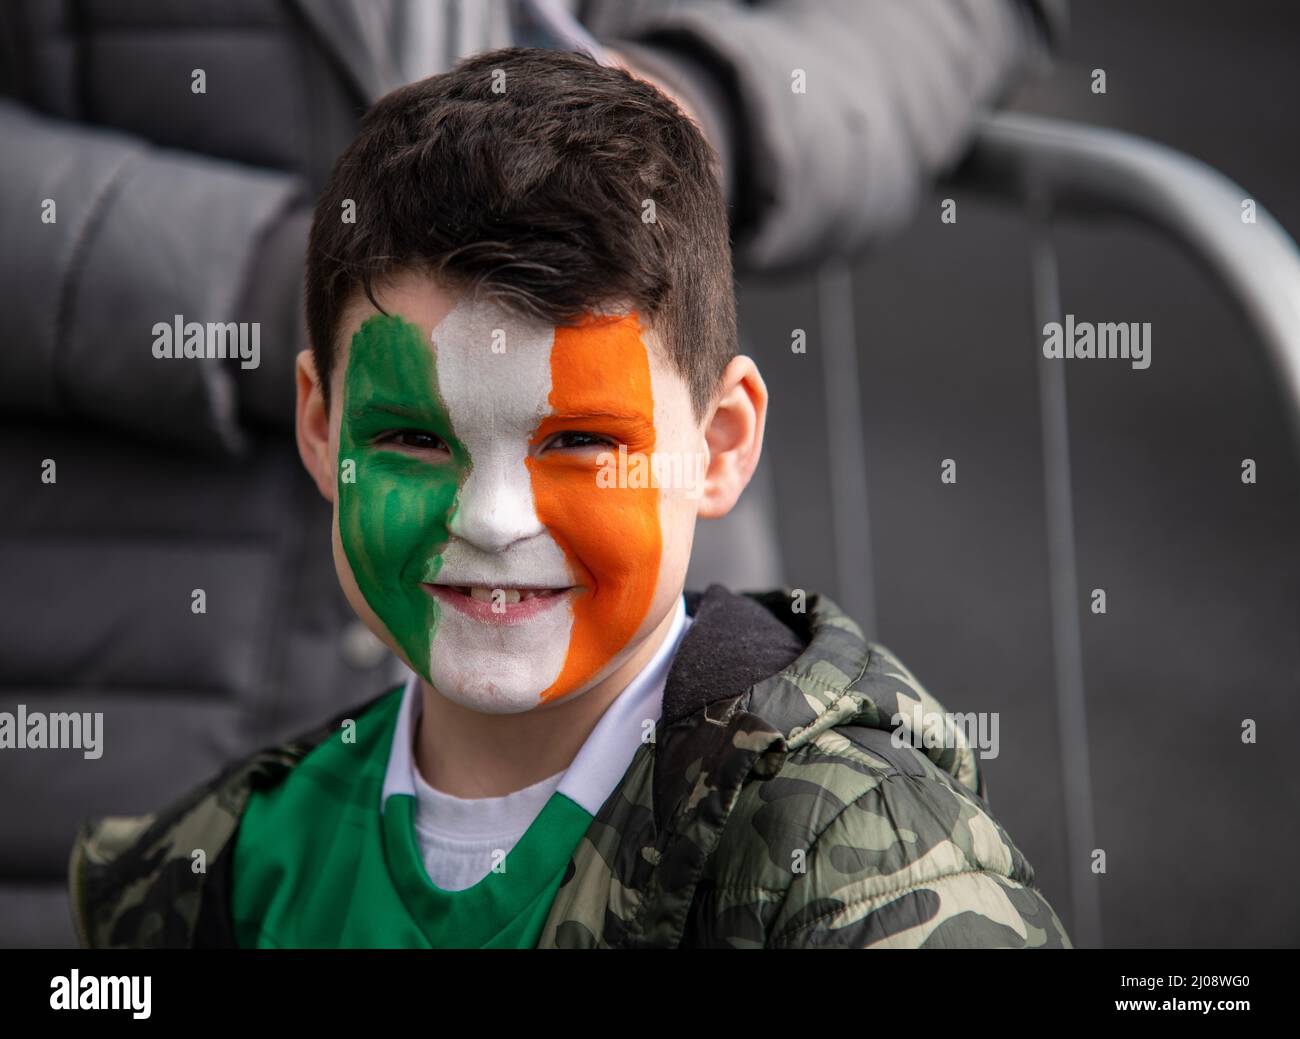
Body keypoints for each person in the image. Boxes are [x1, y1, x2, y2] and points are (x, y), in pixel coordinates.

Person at [67, 48, 1071, 948]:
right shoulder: (225, 870)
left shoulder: (851, 860)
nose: (494, 519)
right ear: (321, 429)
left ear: (720, 443)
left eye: (581, 442)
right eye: (414, 438)